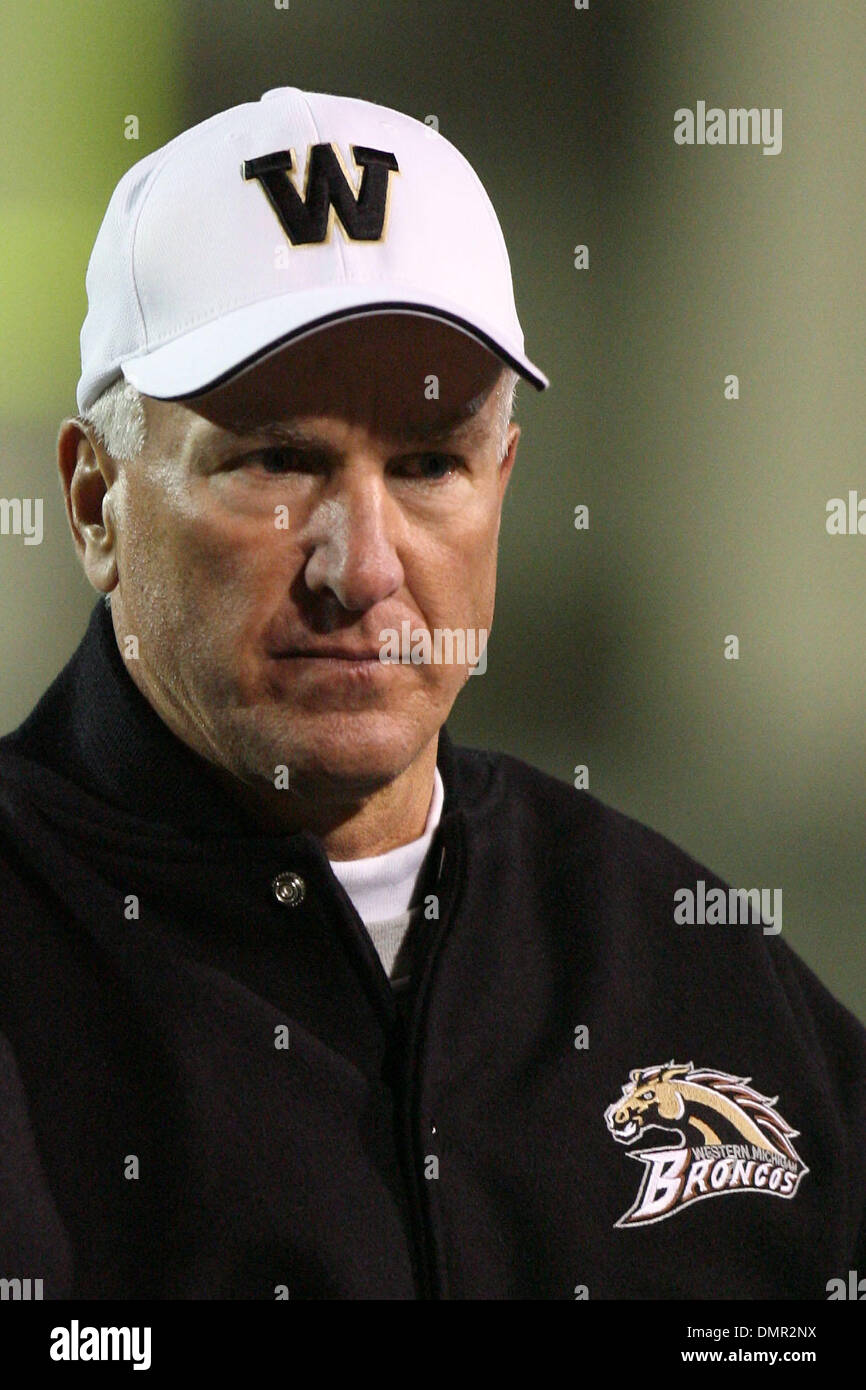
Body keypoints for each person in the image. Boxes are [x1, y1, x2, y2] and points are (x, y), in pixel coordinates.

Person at [0, 86, 864, 1302]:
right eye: (275, 459)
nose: (360, 565)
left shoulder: (687, 958)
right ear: (96, 501)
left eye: (426, 465)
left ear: (503, 478)